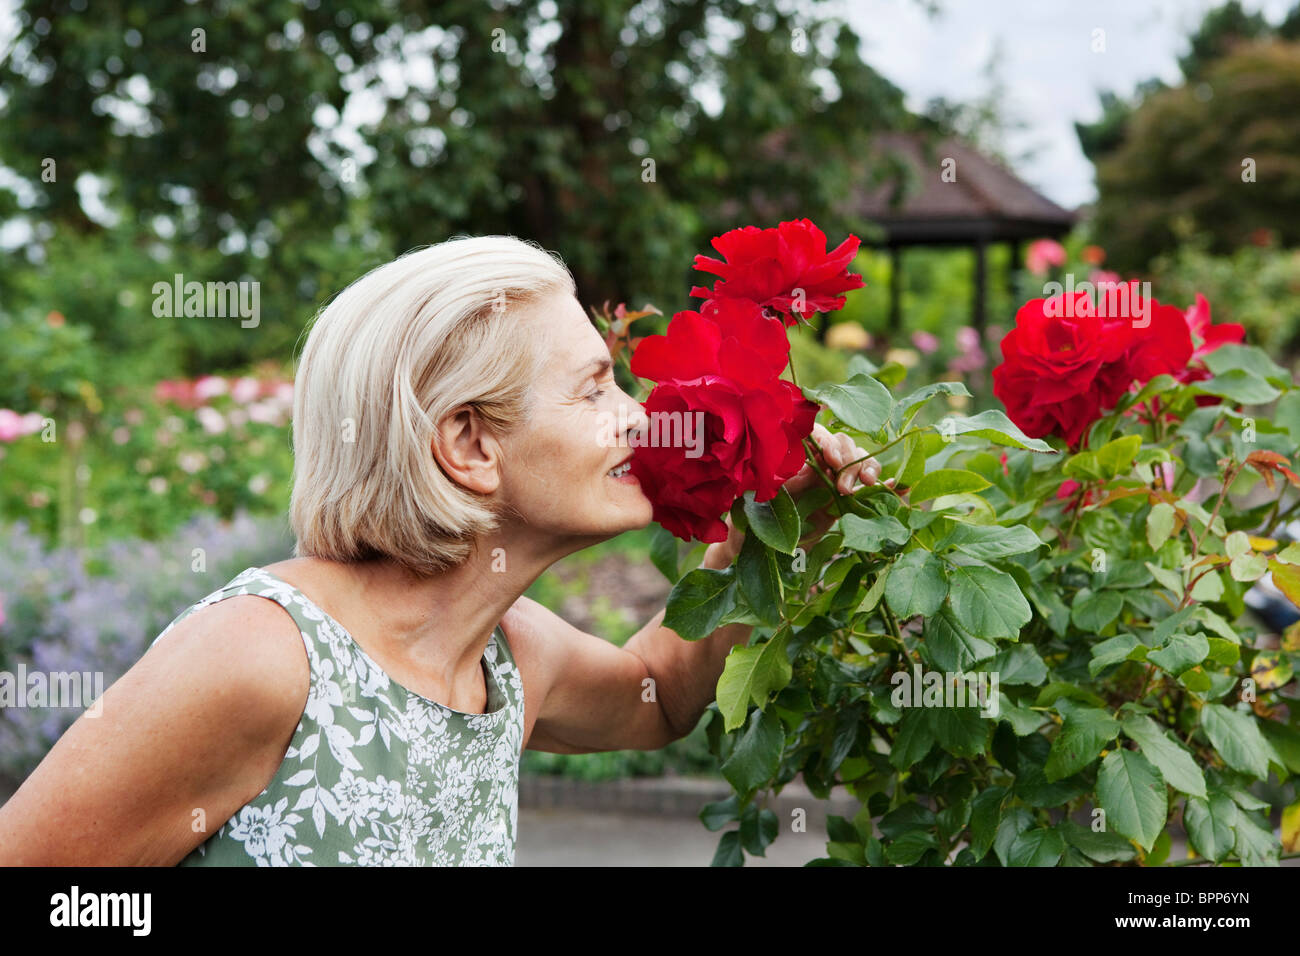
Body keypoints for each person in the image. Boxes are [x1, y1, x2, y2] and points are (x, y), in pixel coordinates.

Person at [0, 235, 880, 866]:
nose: (640, 414)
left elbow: (659, 700)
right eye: (595, 387)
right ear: (468, 444)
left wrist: (777, 521)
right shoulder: (264, 658)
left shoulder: (510, 656)